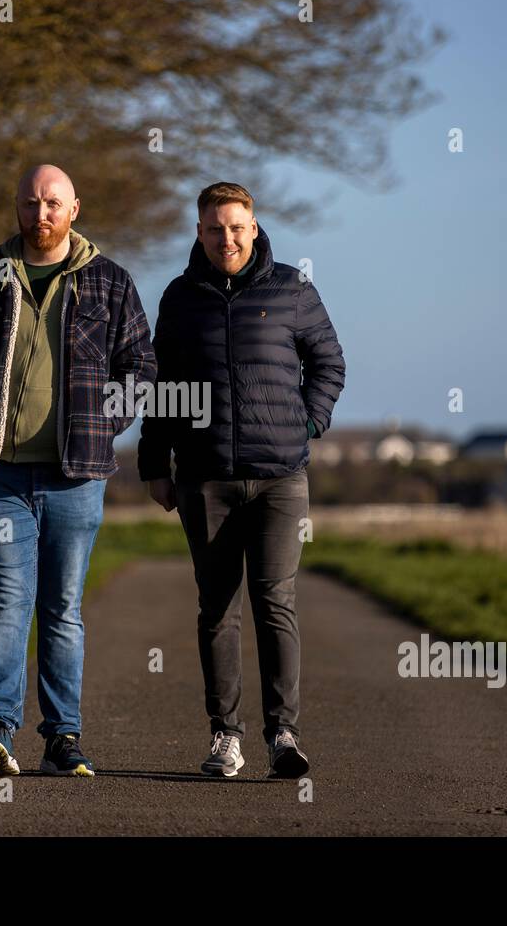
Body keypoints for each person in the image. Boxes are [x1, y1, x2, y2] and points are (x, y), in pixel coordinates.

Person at [0, 164, 155, 778]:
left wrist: (104, 428)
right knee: (8, 602)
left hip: (75, 478)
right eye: (30, 203)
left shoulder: (110, 282)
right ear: (17, 208)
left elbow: (139, 366)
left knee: (62, 608)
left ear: (74, 208)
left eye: (53, 203)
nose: (41, 214)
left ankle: (63, 739)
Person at [138, 181, 345, 779]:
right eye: (213, 228)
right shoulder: (179, 298)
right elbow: (163, 386)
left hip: (281, 479)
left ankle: (283, 735)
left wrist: (308, 420)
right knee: (216, 609)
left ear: (253, 228)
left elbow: (329, 362)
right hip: (206, 479)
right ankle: (226, 737)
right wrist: (156, 464)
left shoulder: (292, 290)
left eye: (235, 227)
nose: (225, 238)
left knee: (275, 603)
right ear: (198, 233)